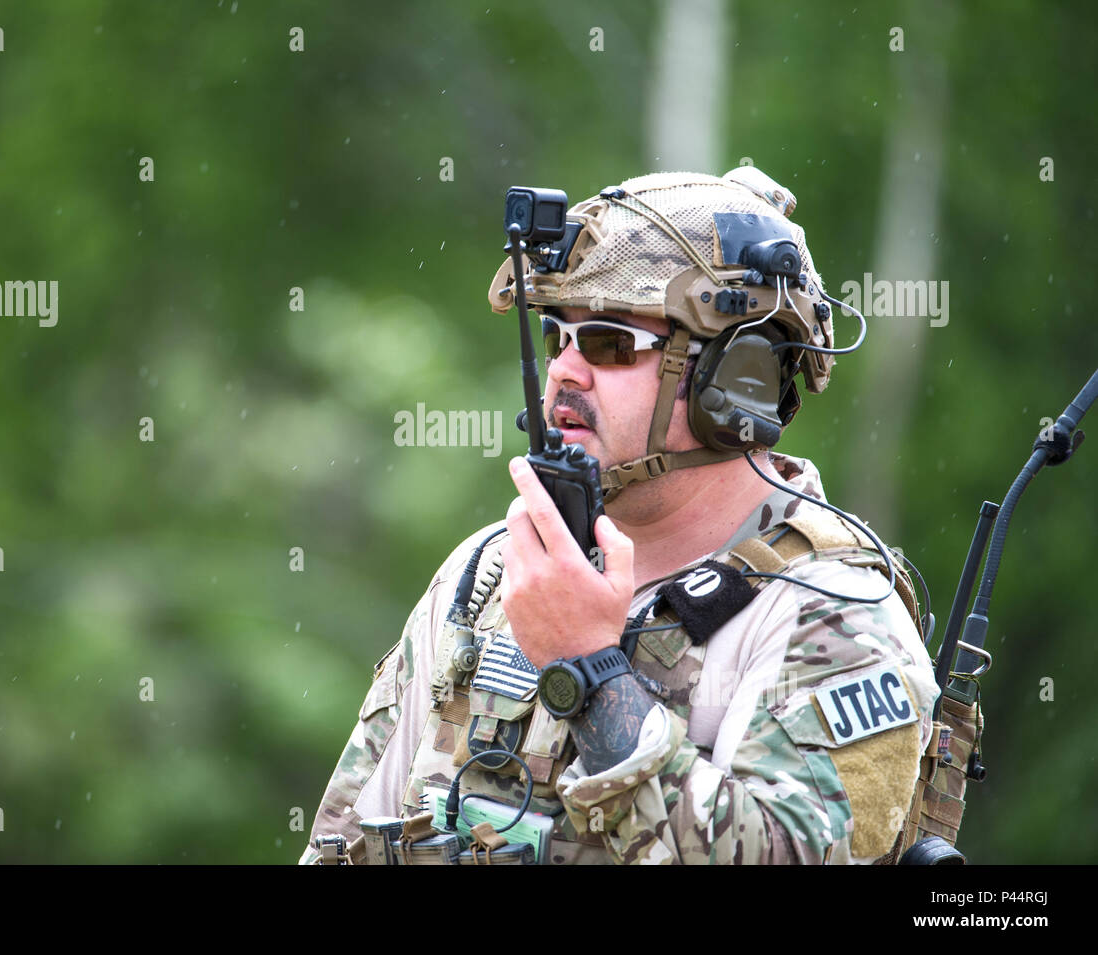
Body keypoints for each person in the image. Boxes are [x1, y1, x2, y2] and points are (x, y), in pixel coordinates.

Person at [300, 168, 940, 865]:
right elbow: (344, 843)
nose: (565, 372)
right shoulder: (491, 572)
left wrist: (592, 672)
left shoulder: (831, 613)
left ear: (734, 378)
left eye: (608, 343)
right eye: (557, 338)